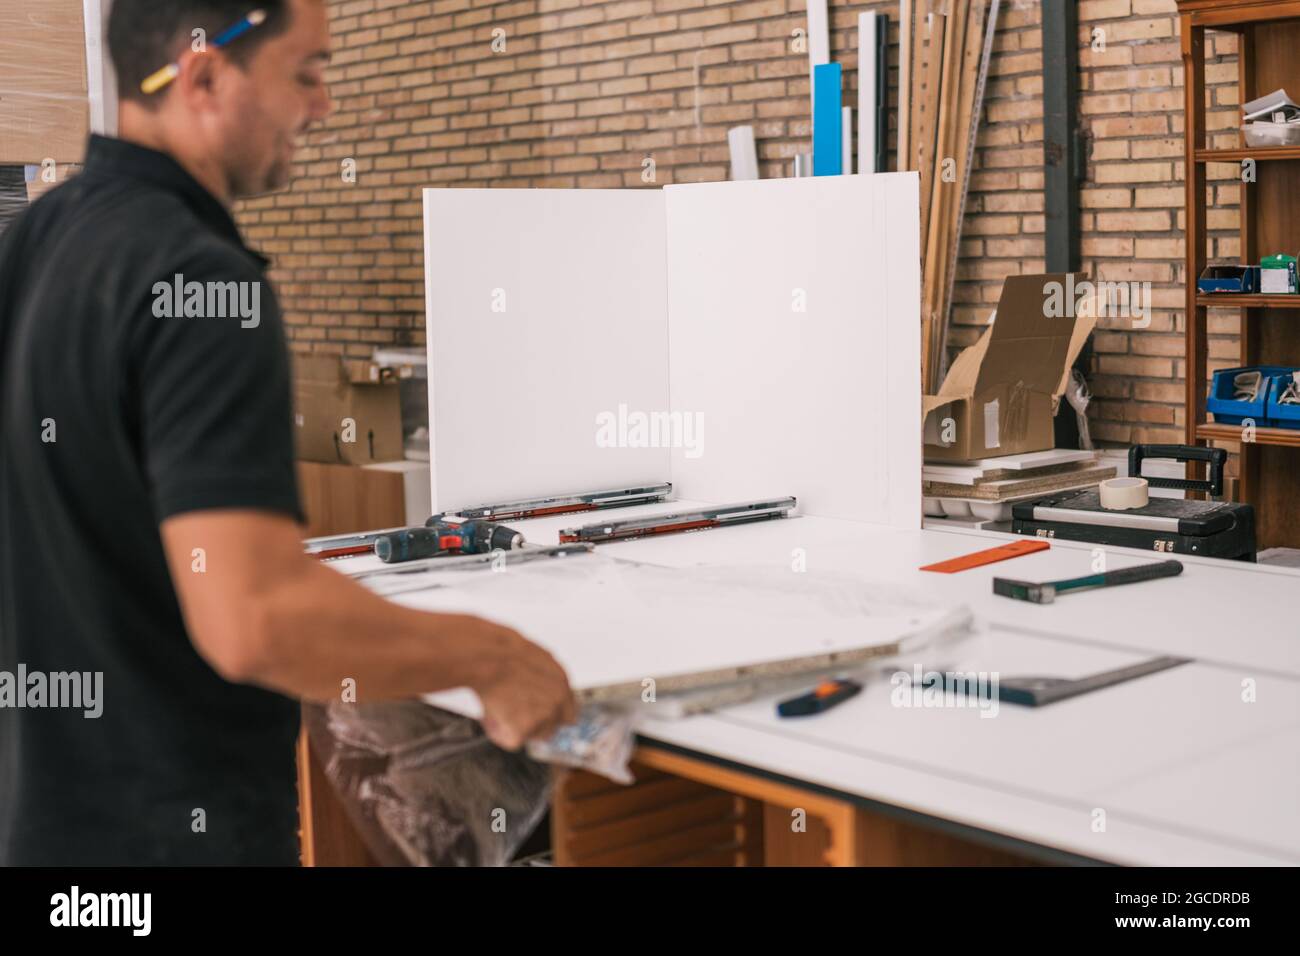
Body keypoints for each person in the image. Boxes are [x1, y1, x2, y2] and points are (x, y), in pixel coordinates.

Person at [0, 0, 574, 866]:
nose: (322, 105)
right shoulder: (201, 282)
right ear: (204, 74)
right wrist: (492, 657)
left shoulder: (38, 237)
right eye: (306, 73)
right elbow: (254, 617)